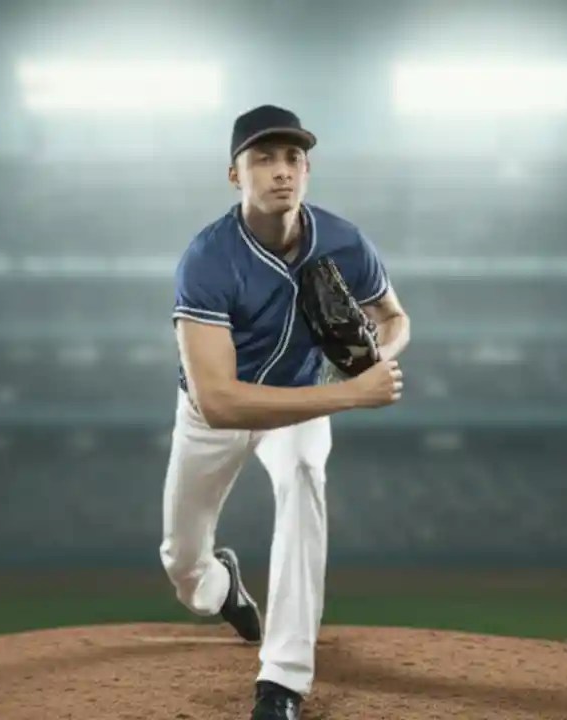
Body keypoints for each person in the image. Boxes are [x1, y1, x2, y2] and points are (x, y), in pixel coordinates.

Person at [159, 104, 411, 720]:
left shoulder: (345, 241)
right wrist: (354, 391)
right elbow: (219, 401)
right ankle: (223, 587)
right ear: (233, 174)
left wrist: (377, 354)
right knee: (183, 565)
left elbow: (394, 318)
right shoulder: (208, 260)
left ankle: (282, 681)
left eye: (293, 157)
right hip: (212, 415)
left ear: (307, 169)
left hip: (300, 407)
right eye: (263, 158)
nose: (281, 171)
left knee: (304, 481)